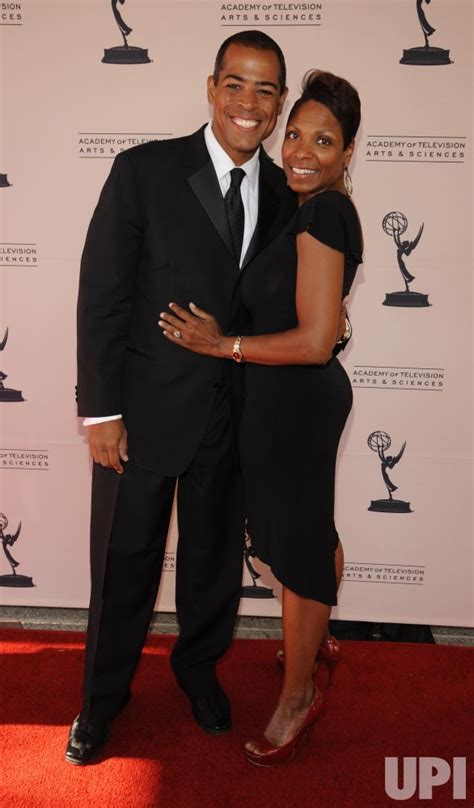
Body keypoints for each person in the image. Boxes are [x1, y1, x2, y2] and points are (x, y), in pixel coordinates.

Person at [66, 30, 299, 766]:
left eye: (265, 90)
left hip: (233, 418)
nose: (248, 103)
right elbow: (103, 295)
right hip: (141, 416)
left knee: (212, 565)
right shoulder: (144, 171)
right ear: (211, 88)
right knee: (123, 565)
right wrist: (102, 411)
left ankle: (198, 672)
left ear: (279, 104)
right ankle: (100, 701)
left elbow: (288, 307)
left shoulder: (289, 195)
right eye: (236, 84)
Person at [158, 69, 363, 766]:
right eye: (296, 134)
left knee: (297, 550)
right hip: (279, 400)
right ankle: (317, 639)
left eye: (324, 141)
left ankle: (298, 696)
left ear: (348, 152)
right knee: (300, 535)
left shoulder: (327, 214)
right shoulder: (299, 211)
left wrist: (225, 345)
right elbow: (316, 318)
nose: (302, 150)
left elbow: (314, 342)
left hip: (297, 405)